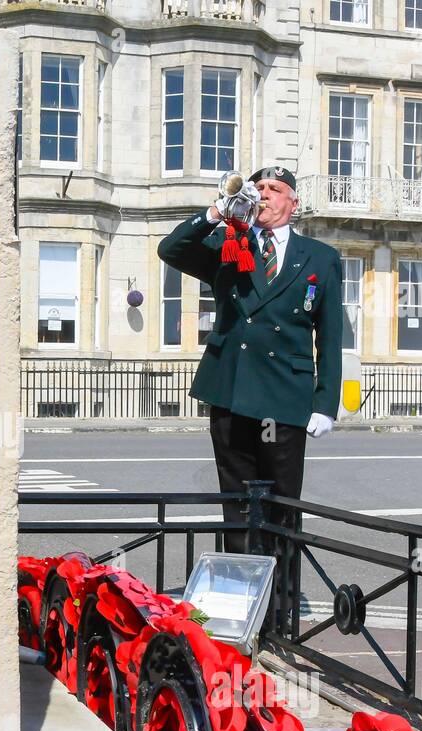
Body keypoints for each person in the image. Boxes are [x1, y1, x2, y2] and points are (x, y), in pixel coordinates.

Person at [157, 166, 343, 554]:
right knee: (237, 504)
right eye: (258, 188)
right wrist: (215, 213)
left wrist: (326, 404)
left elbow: (329, 335)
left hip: (284, 398)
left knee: (282, 507)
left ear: (294, 203)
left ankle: (281, 604)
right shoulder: (230, 243)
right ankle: (242, 592)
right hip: (231, 392)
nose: (263, 194)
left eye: (274, 189)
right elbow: (170, 249)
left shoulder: (320, 258)